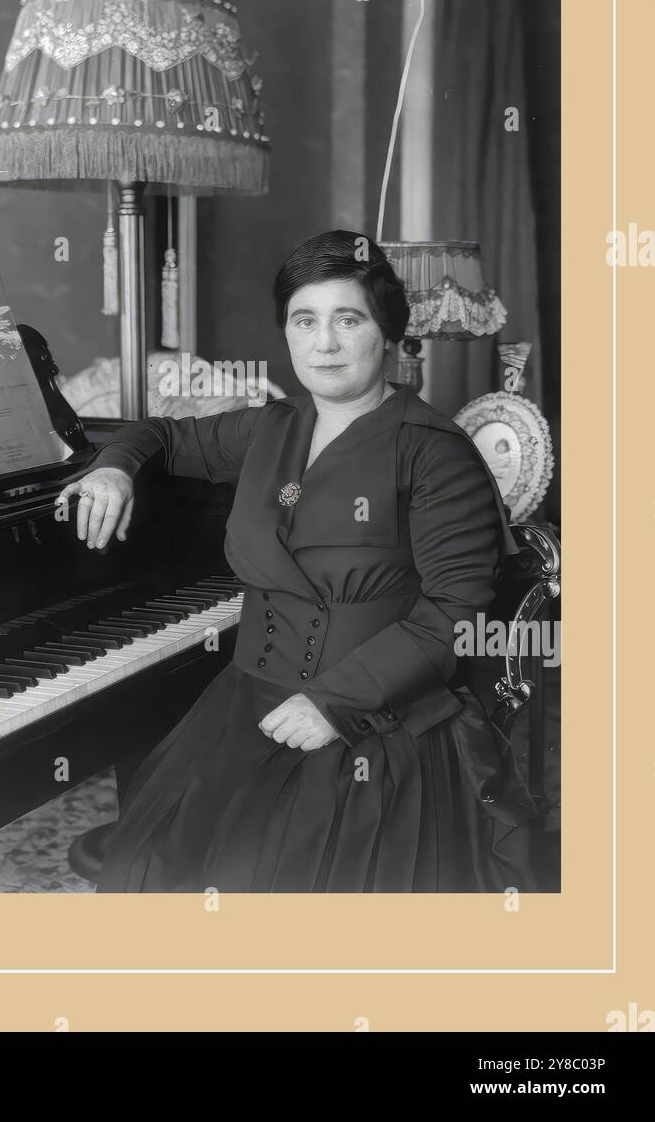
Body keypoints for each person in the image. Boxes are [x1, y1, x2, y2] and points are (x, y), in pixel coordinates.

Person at [58, 230, 540, 893]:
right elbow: (160, 433)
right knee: (161, 876)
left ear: (388, 335)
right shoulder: (269, 428)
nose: (325, 343)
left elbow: (455, 612)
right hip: (245, 704)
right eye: (303, 321)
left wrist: (332, 703)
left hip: (374, 720)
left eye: (349, 320)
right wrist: (113, 468)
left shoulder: (432, 451)